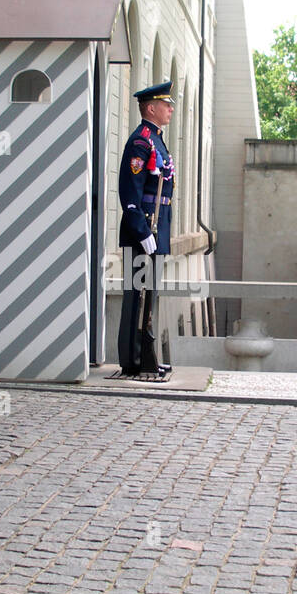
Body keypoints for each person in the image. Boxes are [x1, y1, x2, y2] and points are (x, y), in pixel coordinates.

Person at [117, 81, 176, 380]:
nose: (171, 108)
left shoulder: (157, 139)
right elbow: (130, 193)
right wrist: (142, 231)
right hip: (143, 231)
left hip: (156, 228)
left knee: (149, 296)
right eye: (166, 104)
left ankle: (145, 355)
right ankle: (133, 358)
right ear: (151, 108)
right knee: (136, 295)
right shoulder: (141, 142)